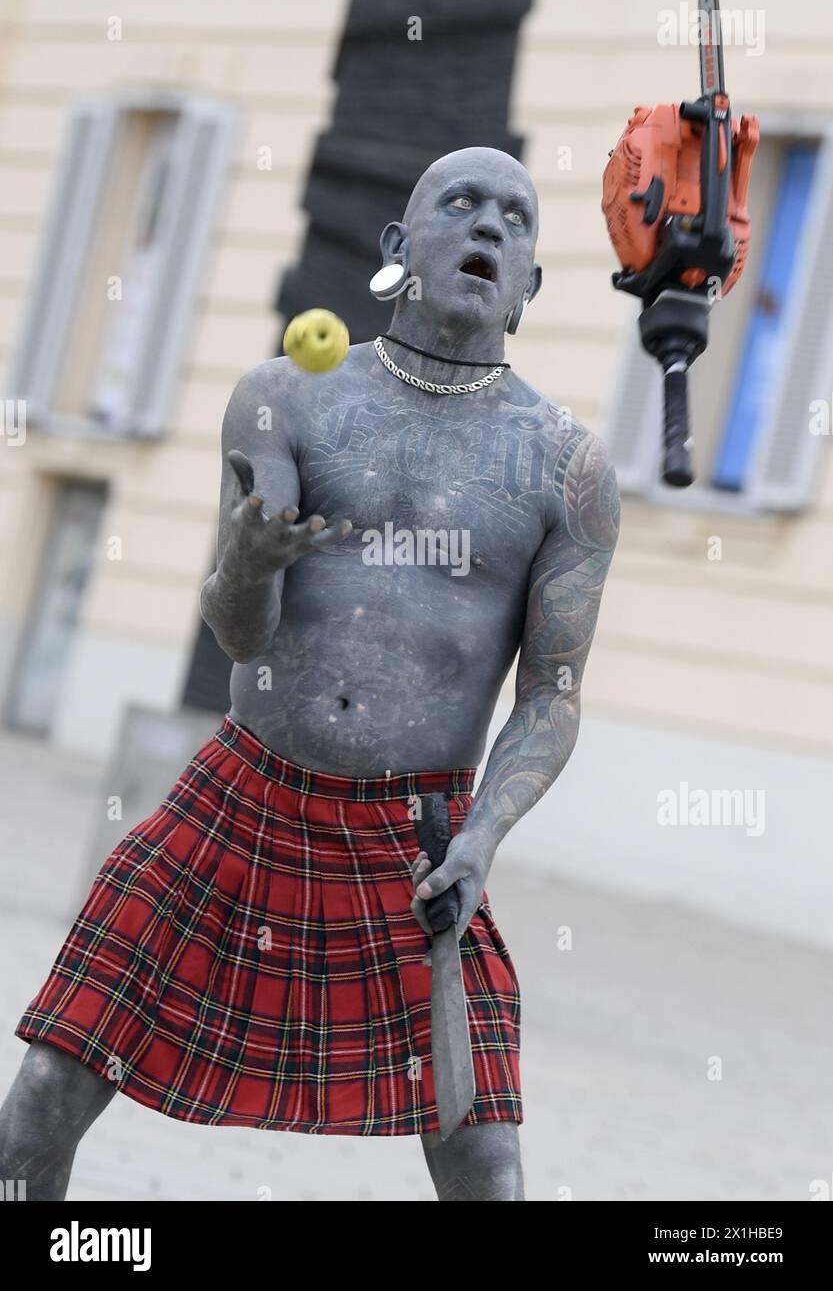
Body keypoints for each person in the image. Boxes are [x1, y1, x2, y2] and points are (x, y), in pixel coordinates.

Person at [0, 146, 619, 1201]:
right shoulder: (289, 397)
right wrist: (248, 557)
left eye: (513, 219)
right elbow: (240, 633)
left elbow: (551, 694)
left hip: (415, 833)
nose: (486, 228)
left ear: (528, 288)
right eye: (458, 204)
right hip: (240, 794)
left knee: (485, 1164)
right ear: (396, 251)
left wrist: (479, 838)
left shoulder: (567, 466)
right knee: (41, 1102)